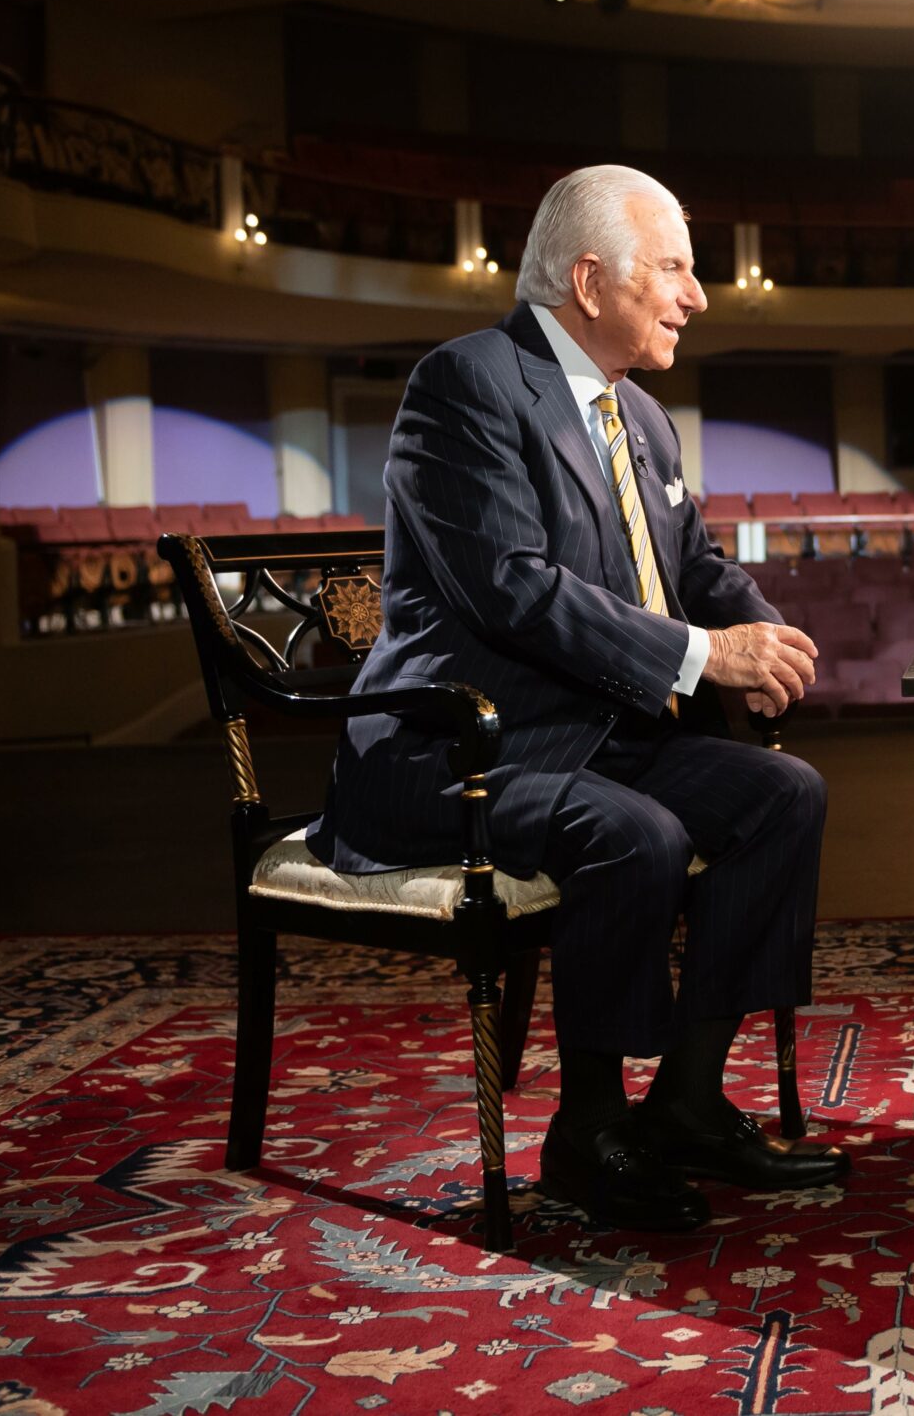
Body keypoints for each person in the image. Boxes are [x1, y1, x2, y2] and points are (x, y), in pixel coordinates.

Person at [311, 164, 845, 1233]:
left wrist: (762, 630)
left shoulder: (640, 416)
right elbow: (511, 586)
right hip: (456, 747)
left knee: (784, 795)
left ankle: (686, 1101)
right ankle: (586, 1131)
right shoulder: (464, 385)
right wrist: (706, 655)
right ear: (592, 278)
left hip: (592, 735)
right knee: (636, 834)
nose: (696, 296)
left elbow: (689, 564)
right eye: (676, 269)